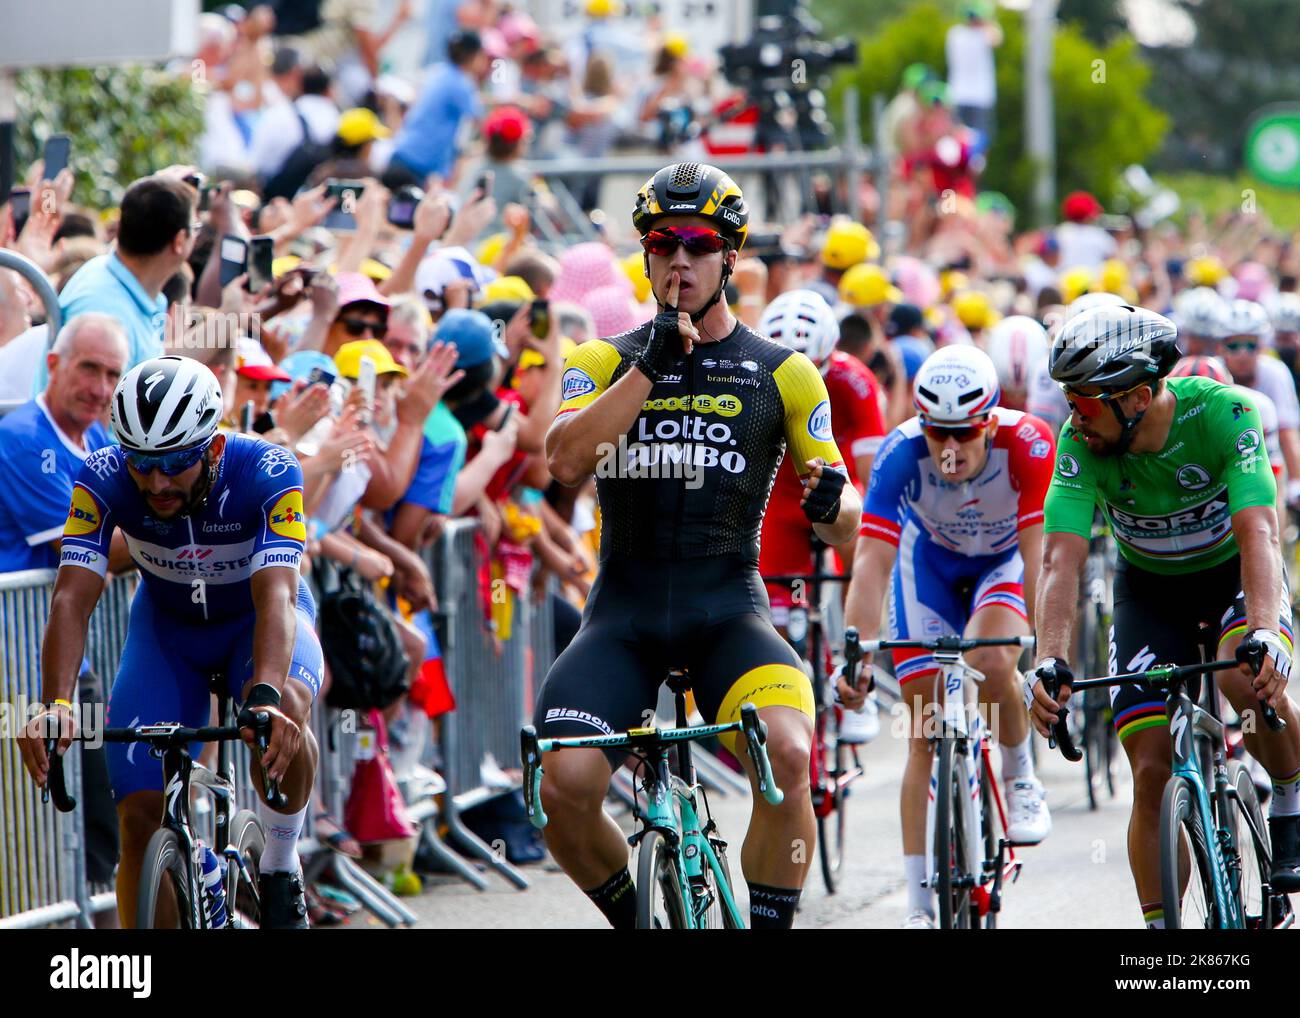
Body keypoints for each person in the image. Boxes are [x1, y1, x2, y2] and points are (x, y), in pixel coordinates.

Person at [536, 163, 862, 930]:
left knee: (787, 756)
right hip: (623, 615)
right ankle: (638, 918)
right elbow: (563, 460)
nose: (679, 260)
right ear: (645, 255)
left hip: (728, 614)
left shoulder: (783, 372)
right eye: (662, 244)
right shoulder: (599, 361)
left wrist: (830, 502)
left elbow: (844, 518)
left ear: (730, 258)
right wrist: (650, 363)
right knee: (562, 786)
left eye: (699, 245)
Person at [18, 356, 325, 929]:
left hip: (255, 624)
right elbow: (71, 598)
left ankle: (281, 867)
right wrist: (56, 704)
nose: (157, 484)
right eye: (143, 465)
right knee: (138, 816)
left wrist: (263, 695)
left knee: (281, 719)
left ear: (210, 450)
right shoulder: (100, 474)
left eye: (176, 464)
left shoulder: (270, 468)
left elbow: (277, 597)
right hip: (167, 634)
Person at [1027, 304, 1300, 929]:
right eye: (1068, 400)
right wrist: (1049, 658)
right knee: (1150, 767)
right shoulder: (1080, 443)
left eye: (1085, 402)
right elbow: (1060, 562)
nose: (1074, 416)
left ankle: (1289, 788)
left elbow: (1260, 530)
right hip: (1148, 593)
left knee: (1243, 678)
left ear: (1139, 397)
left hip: (1232, 575)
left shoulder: (1224, 413)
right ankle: (1164, 934)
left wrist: (1265, 630)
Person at [839, 345, 1055, 929]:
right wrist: (854, 649)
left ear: (990, 422)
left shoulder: (1028, 444)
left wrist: (1043, 653)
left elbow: (1040, 560)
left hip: (1002, 563)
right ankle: (917, 905)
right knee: (922, 729)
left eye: (963, 434)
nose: (950, 450)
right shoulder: (900, 452)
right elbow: (872, 564)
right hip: (929, 566)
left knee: (990, 661)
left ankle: (1018, 771)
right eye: (938, 435)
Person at [756, 288, 886, 740]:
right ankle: (800, 672)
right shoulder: (755, 372)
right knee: (781, 606)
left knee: (863, 566)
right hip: (782, 501)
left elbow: (872, 473)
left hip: (840, 492)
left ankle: (855, 676)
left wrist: (857, 522)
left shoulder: (855, 381)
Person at [36, 174, 199, 392]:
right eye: (195, 227)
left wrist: (232, 315)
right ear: (179, 241)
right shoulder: (103, 307)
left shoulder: (120, 282)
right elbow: (88, 412)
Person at [0, 314, 126, 572]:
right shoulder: (25, 441)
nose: (100, 390)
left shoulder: (93, 434)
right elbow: (86, 552)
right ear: (54, 365)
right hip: (21, 610)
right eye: (89, 368)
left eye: (112, 375)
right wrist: (179, 525)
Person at [387, 30, 490, 186]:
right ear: (474, 55)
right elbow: (482, 123)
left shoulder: (439, 72)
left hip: (402, 154)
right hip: (419, 164)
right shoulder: (462, 83)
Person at [944, 1, 1000, 154]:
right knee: (978, 145)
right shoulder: (983, 34)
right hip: (980, 98)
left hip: (958, 95)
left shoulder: (955, 33)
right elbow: (996, 37)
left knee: (960, 141)